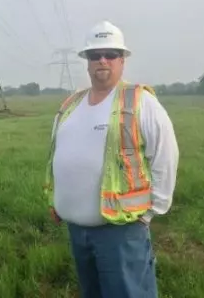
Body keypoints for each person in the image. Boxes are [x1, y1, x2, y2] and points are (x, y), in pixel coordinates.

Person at [44, 20, 179, 298]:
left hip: (121, 230)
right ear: (87, 61)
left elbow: (166, 156)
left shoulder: (141, 101)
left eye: (111, 54)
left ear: (122, 60)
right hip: (76, 230)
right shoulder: (71, 104)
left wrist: (152, 212)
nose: (102, 60)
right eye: (95, 55)